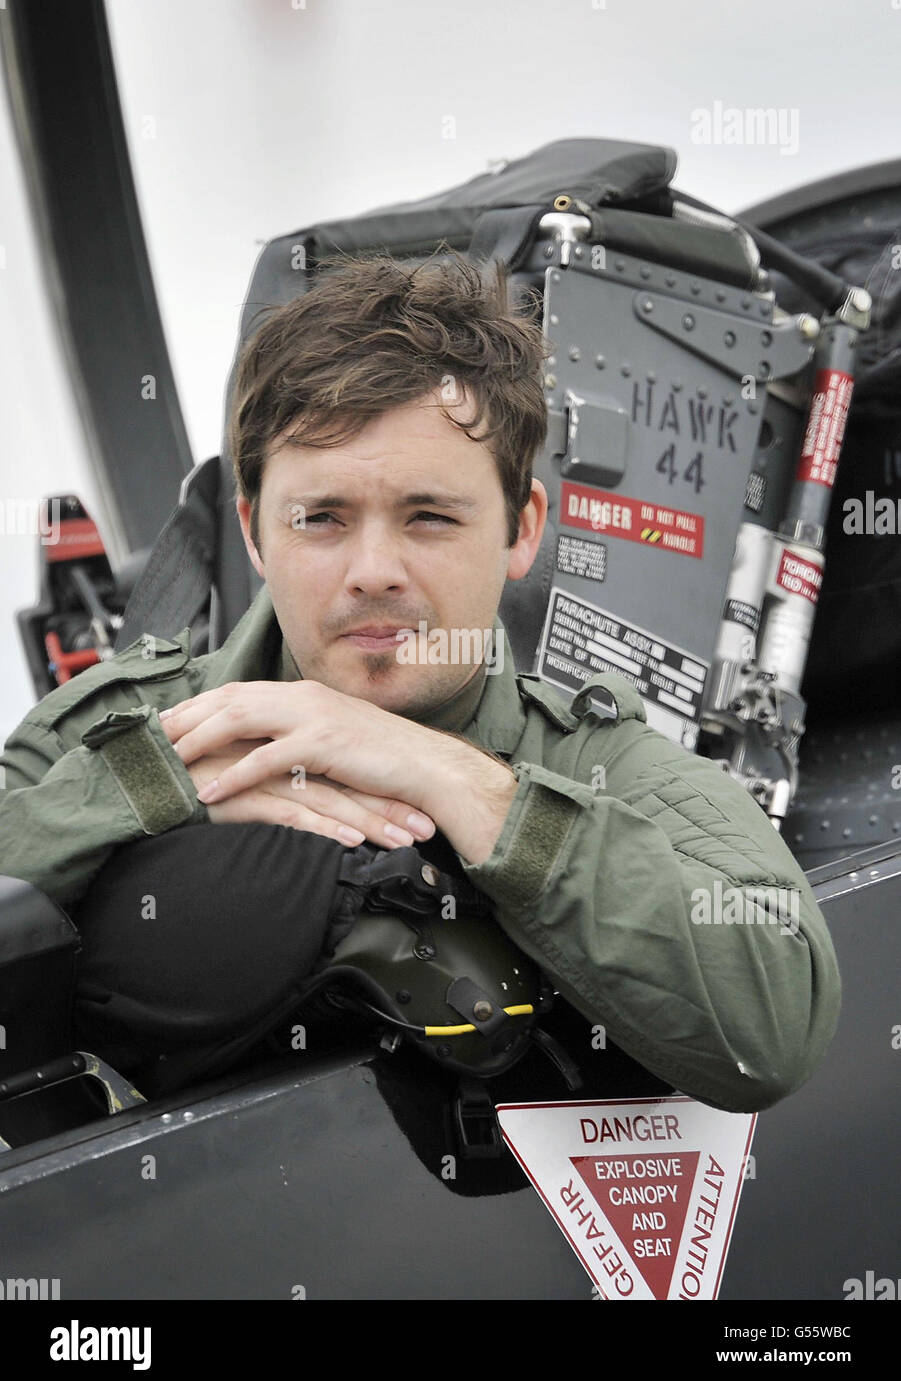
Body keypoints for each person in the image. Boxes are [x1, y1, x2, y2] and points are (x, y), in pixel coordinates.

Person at [0, 250, 840, 1111]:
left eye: (429, 516)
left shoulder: (613, 771)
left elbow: (777, 1026)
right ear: (252, 532)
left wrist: (467, 788)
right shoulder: (106, 735)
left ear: (521, 529)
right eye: (321, 518)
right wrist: (135, 789)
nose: (373, 571)